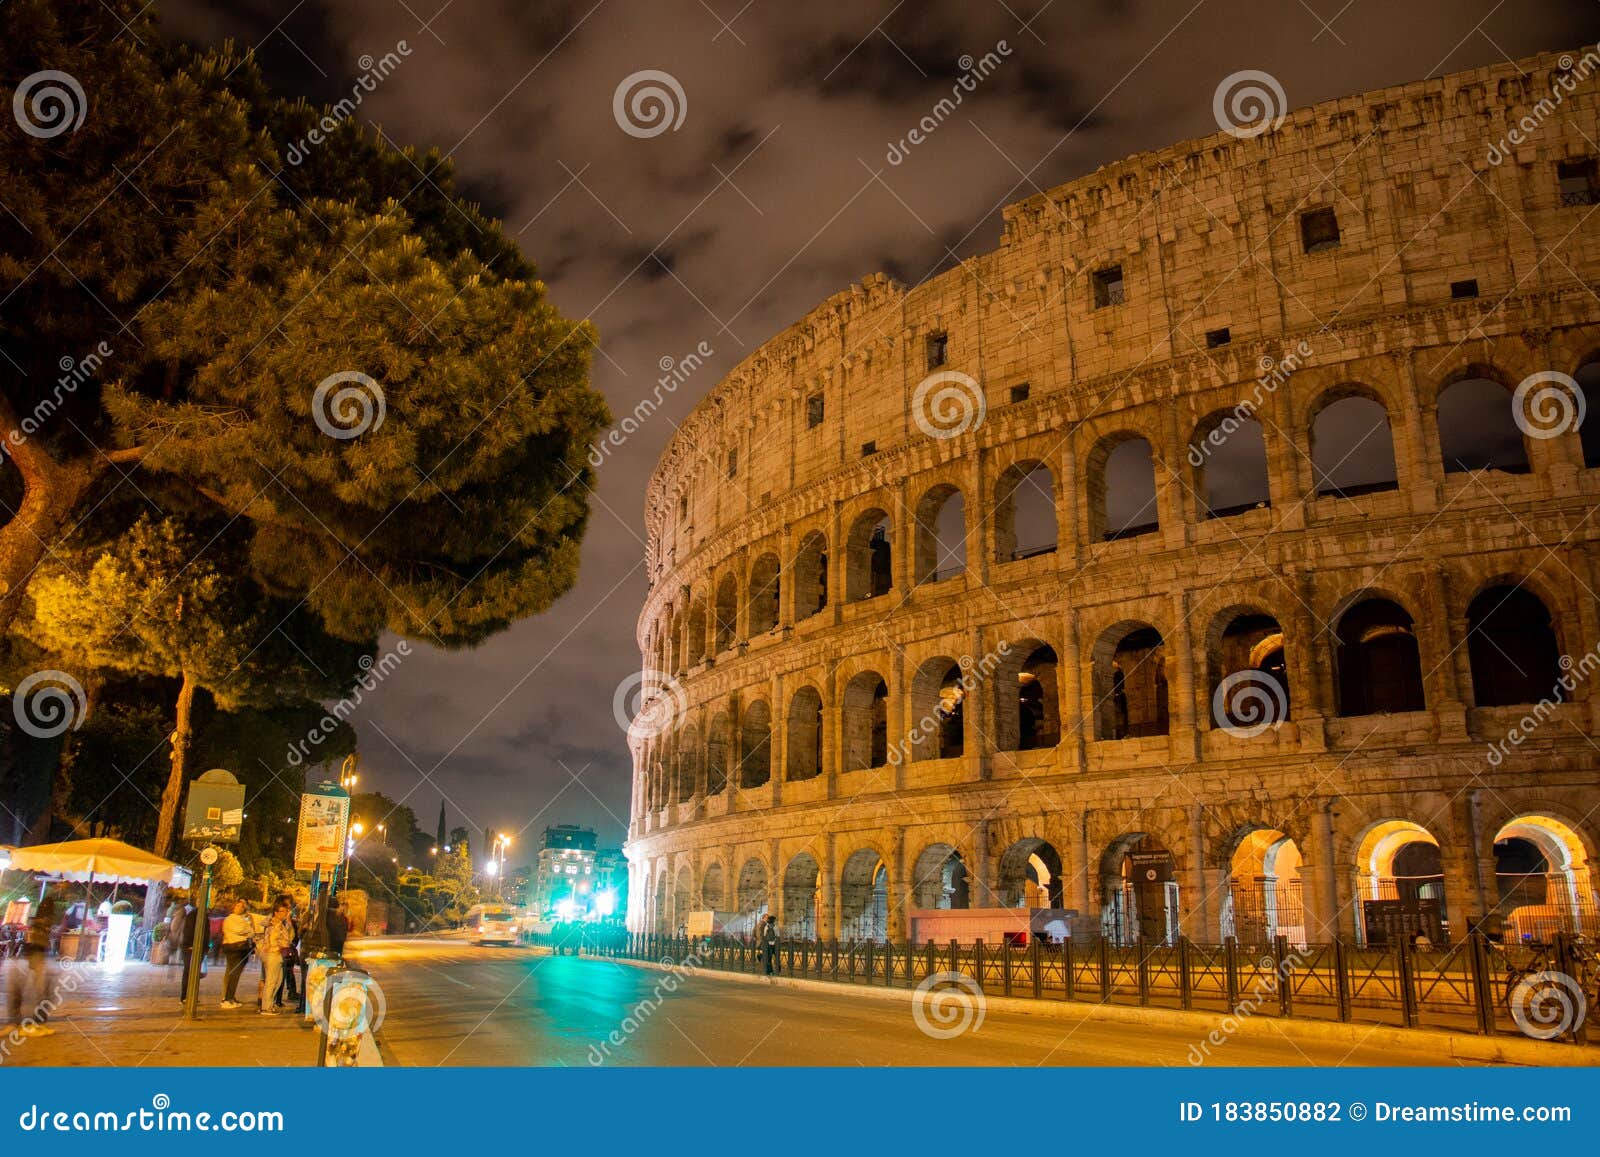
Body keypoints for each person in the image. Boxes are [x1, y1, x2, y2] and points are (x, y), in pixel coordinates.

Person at [5, 899, 57, 1036]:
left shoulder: (39, 925)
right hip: (33, 958)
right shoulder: (39, 926)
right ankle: (24, 1024)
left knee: (43, 990)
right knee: (38, 991)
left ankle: (29, 1023)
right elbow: (35, 946)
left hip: (34, 958)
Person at [259, 899, 293, 1015]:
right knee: (271, 981)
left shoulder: (281, 923)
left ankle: (270, 1004)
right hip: (273, 953)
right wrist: (283, 945)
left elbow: (290, 934)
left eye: (286, 911)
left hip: (277, 954)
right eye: (282, 911)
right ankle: (266, 1007)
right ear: (276, 912)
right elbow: (282, 940)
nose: (284, 914)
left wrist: (287, 921)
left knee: (278, 981)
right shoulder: (274, 923)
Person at [219, 900, 253, 1010]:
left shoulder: (242, 919)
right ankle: (227, 998)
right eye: (237, 906)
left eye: (242, 906)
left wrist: (248, 930)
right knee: (234, 973)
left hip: (239, 948)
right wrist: (248, 930)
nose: (239, 908)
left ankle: (230, 997)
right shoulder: (230, 919)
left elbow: (250, 931)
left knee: (235, 974)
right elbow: (243, 930)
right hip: (235, 948)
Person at [176, 896, 210, 1004]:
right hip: (191, 947)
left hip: (199, 948)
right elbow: (189, 931)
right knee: (189, 972)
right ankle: (185, 996)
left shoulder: (203, 915)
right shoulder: (194, 915)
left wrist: (205, 947)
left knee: (194, 973)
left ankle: (190, 996)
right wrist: (190, 945)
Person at [759, 914, 779, 979]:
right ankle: (777, 971)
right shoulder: (775, 927)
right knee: (776, 958)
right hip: (774, 945)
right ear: (774, 921)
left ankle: (769, 971)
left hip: (768, 944)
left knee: (768, 959)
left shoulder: (766, 927)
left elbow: (764, 935)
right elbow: (778, 936)